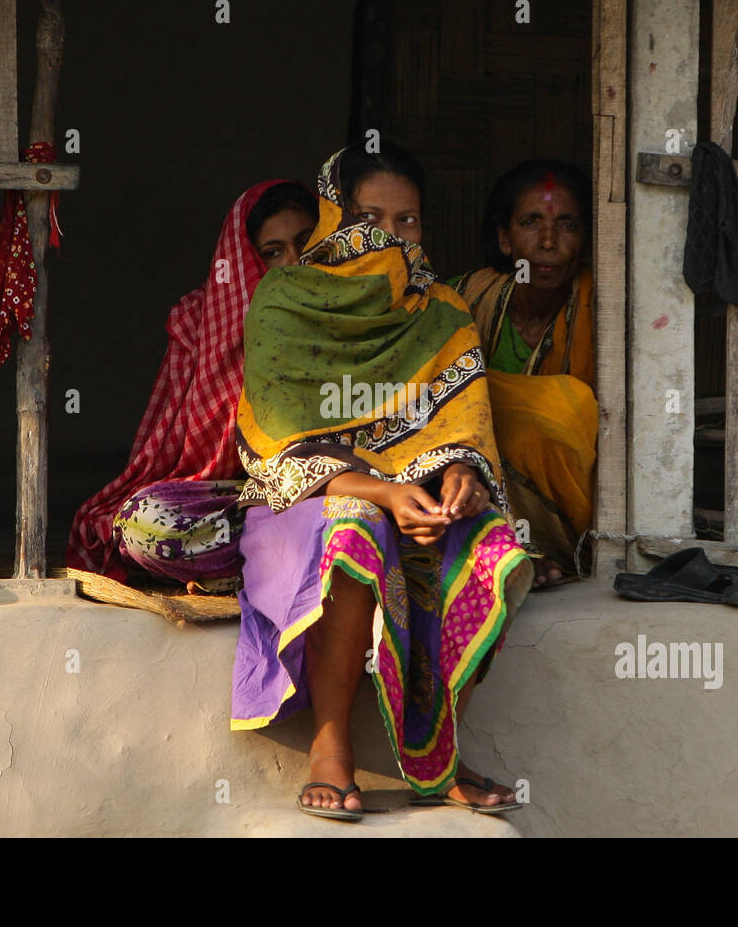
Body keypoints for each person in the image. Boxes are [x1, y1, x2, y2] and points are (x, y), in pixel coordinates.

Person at [231, 144, 535, 820]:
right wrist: (386, 494)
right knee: (356, 530)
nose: (392, 236)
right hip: (305, 499)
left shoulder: (442, 308)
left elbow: (462, 425)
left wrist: (458, 479)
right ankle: (331, 746)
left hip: (411, 489)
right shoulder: (282, 301)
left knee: (486, 543)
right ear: (333, 220)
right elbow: (280, 447)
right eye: (371, 216)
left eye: (409, 220)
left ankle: (437, 755)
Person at [65, 181, 318, 590]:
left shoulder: (353, 309)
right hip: (246, 503)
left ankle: (266, 566)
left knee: (356, 513)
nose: (294, 262)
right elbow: (164, 448)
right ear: (247, 259)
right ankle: (271, 562)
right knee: (145, 522)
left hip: (331, 493)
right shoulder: (198, 320)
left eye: (307, 242)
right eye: (273, 252)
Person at [451, 160, 599, 588]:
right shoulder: (456, 303)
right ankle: (494, 546)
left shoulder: (605, 309)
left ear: (586, 239)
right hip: (466, 494)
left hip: (580, 515)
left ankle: (552, 547)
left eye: (567, 224)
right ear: (503, 238)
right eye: (531, 222)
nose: (549, 241)